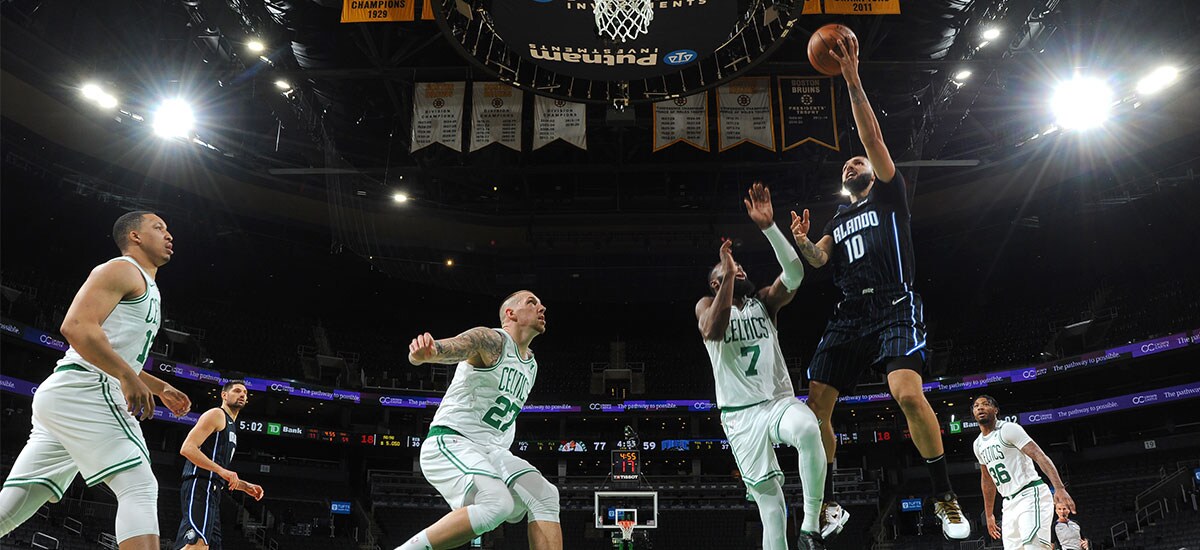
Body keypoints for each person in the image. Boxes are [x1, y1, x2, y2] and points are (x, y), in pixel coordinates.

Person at [788, 33, 972, 539]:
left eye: (858, 161)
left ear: (874, 170)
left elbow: (872, 139)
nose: (851, 163)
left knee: (905, 392)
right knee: (815, 406)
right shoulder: (840, 216)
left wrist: (852, 79)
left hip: (894, 304)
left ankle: (943, 494)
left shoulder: (891, 197)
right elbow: (821, 260)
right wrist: (803, 241)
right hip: (850, 313)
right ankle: (825, 504)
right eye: (846, 165)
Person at [0, 211, 192, 549]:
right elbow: (75, 327)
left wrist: (159, 386)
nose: (169, 234)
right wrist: (124, 376)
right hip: (89, 389)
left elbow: (113, 349)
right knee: (139, 485)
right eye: (159, 227)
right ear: (134, 236)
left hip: (66, 395)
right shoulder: (122, 269)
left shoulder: (146, 285)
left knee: (18, 501)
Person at [694, 183, 840, 549]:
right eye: (730, 270)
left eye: (739, 267)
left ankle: (810, 529)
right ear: (716, 282)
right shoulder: (705, 305)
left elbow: (795, 274)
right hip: (740, 416)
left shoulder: (764, 303)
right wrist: (727, 275)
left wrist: (769, 227)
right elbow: (713, 328)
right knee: (771, 506)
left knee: (808, 427)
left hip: (775, 402)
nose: (739, 270)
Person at [396, 291, 561, 550]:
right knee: (498, 503)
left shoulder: (531, 364)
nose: (542, 307)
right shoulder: (493, 340)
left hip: (492, 452)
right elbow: (456, 346)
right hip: (451, 441)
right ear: (511, 314)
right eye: (532, 303)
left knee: (546, 495)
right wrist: (426, 354)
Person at [972, 395, 1075, 549]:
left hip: (1030, 494)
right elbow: (987, 479)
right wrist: (989, 514)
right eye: (976, 405)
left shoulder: (1008, 429)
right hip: (1008, 504)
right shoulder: (978, 444)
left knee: (1034, 547)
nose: (980, 407)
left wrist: (1059, 487)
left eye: (986, 404)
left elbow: (1039, 455)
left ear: (996, 410)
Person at [175, 379, 264, 549]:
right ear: (224, 395)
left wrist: (244, 486)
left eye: (245, 393)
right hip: (200, 485)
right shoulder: (217, 414)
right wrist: (221, 471)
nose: (242, 395)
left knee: (210, 546)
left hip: (213, 490)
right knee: (197, 544)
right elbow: (187, 448)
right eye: (237, 391)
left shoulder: (232, 427)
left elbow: (220, 471)